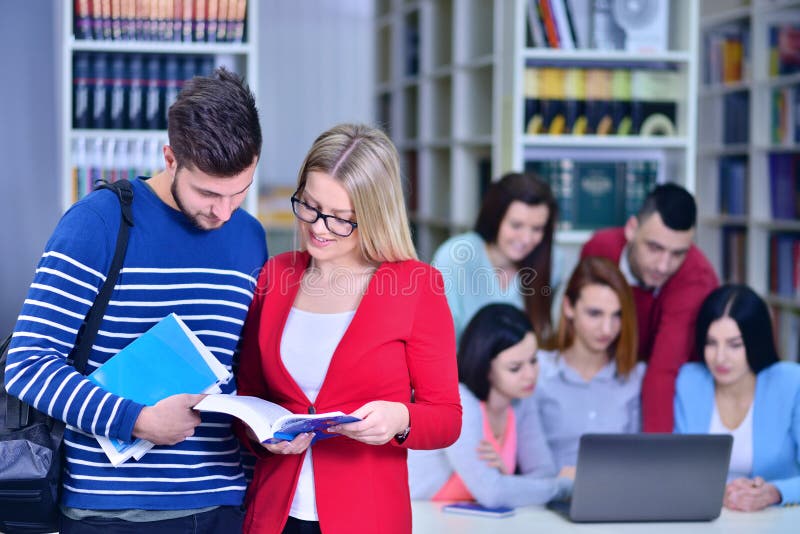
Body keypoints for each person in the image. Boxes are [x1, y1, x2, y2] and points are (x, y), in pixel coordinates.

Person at [4, 68, 266, 531]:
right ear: (170, 158)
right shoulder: (98, 222)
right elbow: (26, 366)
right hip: (113, 513)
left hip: (224, 506)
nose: (223, 212)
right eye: (207, 192)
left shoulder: (249, 238)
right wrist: (137, 419)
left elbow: (241, 368)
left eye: (238, 192)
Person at [235, 123, 461, 534]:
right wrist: (260, 436)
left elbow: (447, 419)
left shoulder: (416, 286)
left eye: (341, 219)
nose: (318, 228)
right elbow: (248, 396)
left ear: (374, 217)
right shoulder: (275, 275)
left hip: (366, 517)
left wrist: (400, 418)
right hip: (273, 514)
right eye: (309, 206)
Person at [581, 183, 718, 432]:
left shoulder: (697, 277)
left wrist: (657, 461)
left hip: (676, 387)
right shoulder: (598, 250)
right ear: (632, 229)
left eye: (678, 253)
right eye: (654, 248)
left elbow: (663, 372)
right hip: (611, 373)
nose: (664, 266)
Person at [407, 304, 572, 508]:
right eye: (515, 367)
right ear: (486, 368)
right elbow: (492, 492)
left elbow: (543, 474)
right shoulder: (460, 402)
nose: (530, 375)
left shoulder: (522, 399)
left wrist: (508, 481)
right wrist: (561, 487)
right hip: (420, 519)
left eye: (533, 360)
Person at [674, 284, 800, 510]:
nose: (720, 357)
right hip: (704, 520)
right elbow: (675, 466)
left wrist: (774, 492)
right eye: (711, 343)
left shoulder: (791, 383)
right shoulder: (688, 381)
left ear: (755, 342)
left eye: (735, 345)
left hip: (776, 521)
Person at [535, 256, 645, 470]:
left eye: (617, 315)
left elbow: (638, 463)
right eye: (595, 314)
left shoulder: (635, 377)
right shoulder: (538, 371)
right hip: (548, 499)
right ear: (569, 307)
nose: (607, 329)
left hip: (616, 499)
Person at [432, 172, 560, 342]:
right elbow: (439, 340)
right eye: (516, 225)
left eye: (537, 229)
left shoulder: (554, 261)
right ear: (495, 219)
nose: (526, 239)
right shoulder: (455, 257)